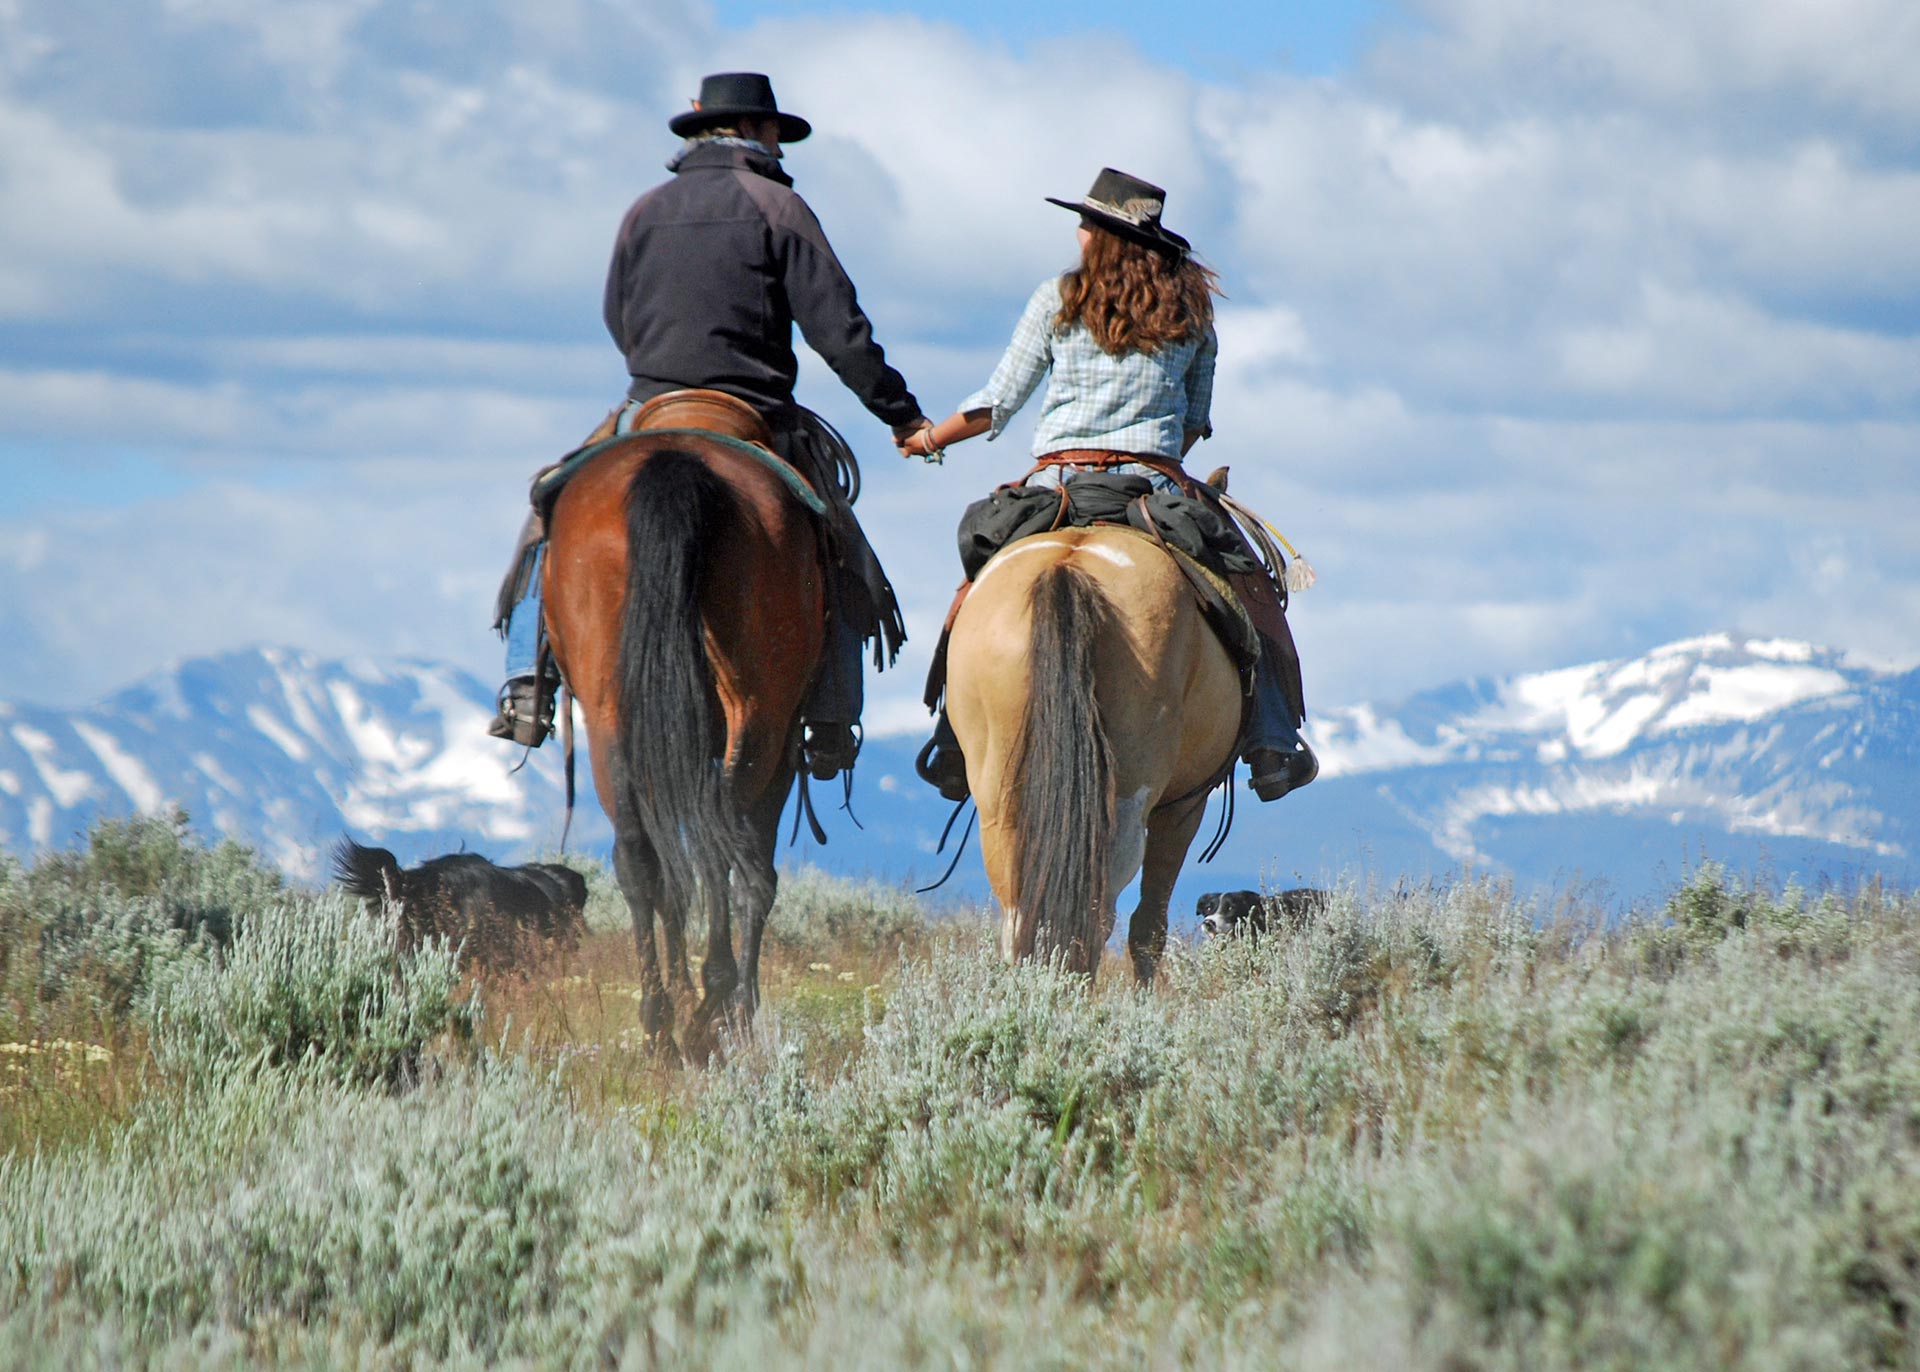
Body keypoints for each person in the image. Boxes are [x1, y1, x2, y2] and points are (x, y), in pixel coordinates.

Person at [490, 72, 932, 782]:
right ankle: (829, 715)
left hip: (650, 401)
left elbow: (618, 315)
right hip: (750, 407)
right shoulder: (780, 207)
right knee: (836, 536)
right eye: (775, 135)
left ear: (699, 131)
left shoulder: (644, 210)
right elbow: (839, 331)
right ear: (756, 132)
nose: (779, 149)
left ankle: (526, 682)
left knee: (550, 511)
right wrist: (902, 416)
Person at [901, 168, 1318, 803]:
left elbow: (997, 403)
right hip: (1152, 490)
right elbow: (1194, 420)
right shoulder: (1192, 311)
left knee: (977, 584)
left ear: (1103, 236)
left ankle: (954, 736)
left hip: (1056, 487)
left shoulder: (1056, 298)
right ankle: (1271, 739)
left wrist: (929, 439)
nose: (1079, 232)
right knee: (1246, 587)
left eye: (1087, 222)